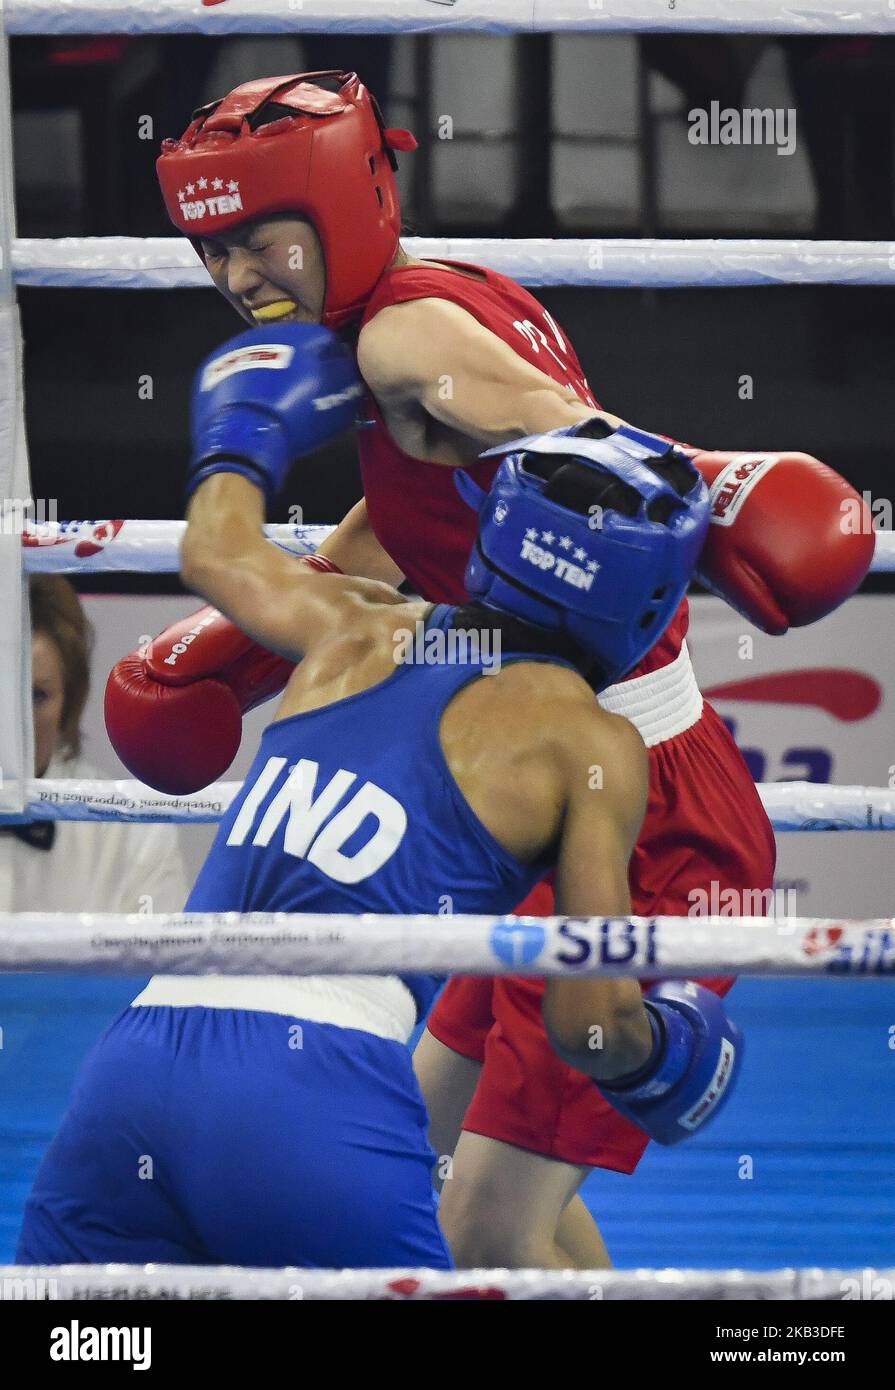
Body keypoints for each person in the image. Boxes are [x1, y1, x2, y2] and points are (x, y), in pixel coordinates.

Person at [107, 70, 872, 1268]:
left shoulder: (409, 334)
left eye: (261, 241)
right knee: (434, 1150)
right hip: (539, 787)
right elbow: (418, 503)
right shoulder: (406, 318)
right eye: (214, 252)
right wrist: (245, 646)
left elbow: (574, 437)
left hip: (641, 810)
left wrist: (723, 490)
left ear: (340, 211)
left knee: (479, 1227)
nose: (240, 279)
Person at [17, 331, 737, 1268]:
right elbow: (589, 1021)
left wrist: (244, 432)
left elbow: (214, 550)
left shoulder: (354, 625)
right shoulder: (589, 743)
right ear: (645, 604)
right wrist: (663, 1055)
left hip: (137, 1067)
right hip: (316, 1089)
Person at [0, 576, 187, 914]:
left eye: (35, 695)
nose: (11, 718)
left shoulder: (134, 830)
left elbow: (163, 965)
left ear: (68, 703)